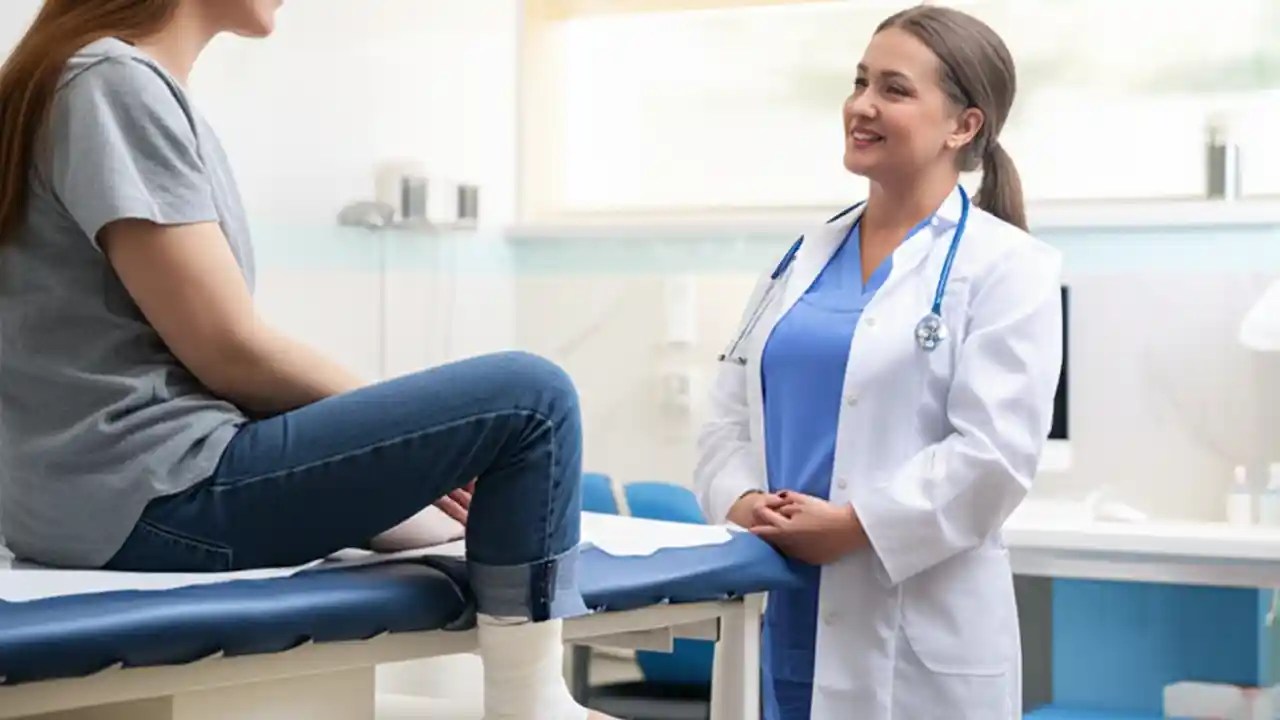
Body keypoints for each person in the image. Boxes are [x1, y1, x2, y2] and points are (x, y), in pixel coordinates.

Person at [0, 2, 614, 718]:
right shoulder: (111, 83)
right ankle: (528, 700)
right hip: (157, 495)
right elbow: (227, 350)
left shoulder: (70, 80)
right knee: (529, 399)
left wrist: (395, 486)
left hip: (88, 504)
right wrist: (410, 436)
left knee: (438, 512)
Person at [694, 5, 1063, 720]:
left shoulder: (1008, 268)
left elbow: (996, 455)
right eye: (861, 81)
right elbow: (728, 412)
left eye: (894, 89)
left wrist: (858, 524)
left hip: (912, 633)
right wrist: (737, 498)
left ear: (964, 126)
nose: (861, 106)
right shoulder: (800, 259)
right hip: (775, 605)